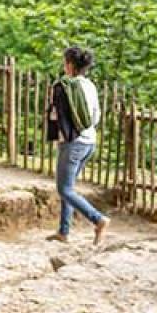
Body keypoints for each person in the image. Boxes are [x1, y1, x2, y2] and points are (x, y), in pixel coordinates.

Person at [46, 44, 109, 244]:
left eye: (65, 62)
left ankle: (98, 219)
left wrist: (62, 136)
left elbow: (57, 116)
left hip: (73, 144)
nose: (64, 66)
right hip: (90, 142)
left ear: (71, 65)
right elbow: (96, 116)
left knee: (64, 189)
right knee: (69, 187)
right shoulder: (90, 86)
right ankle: (63, 232)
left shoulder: (66, 86)